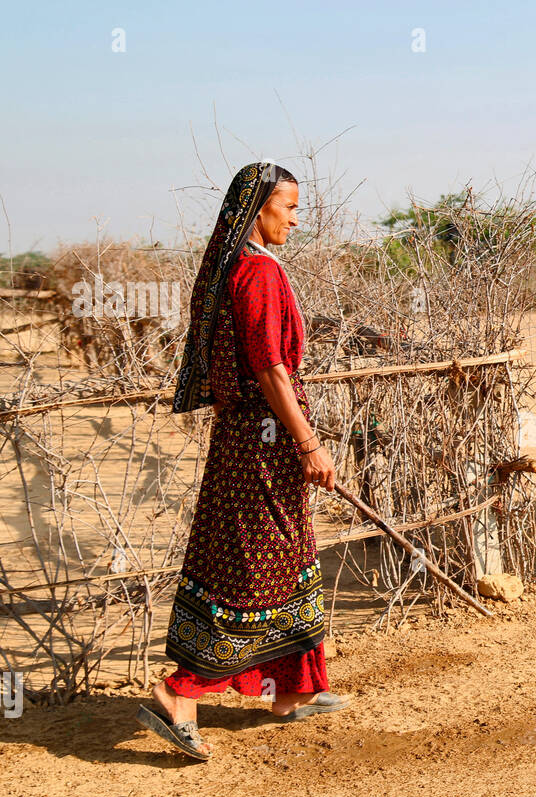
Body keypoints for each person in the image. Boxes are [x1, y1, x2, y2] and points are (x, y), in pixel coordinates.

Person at [136, 162, 348, 760]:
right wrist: (308, 442)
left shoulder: (252, 268)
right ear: (258, 210)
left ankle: (288, 691)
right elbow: (271, 368)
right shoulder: (255, 274)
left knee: (283, 557)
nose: (296, 218)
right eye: (289, 207)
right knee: (253, 566)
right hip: (261, 446)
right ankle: (181, 692)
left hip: (253, 443)